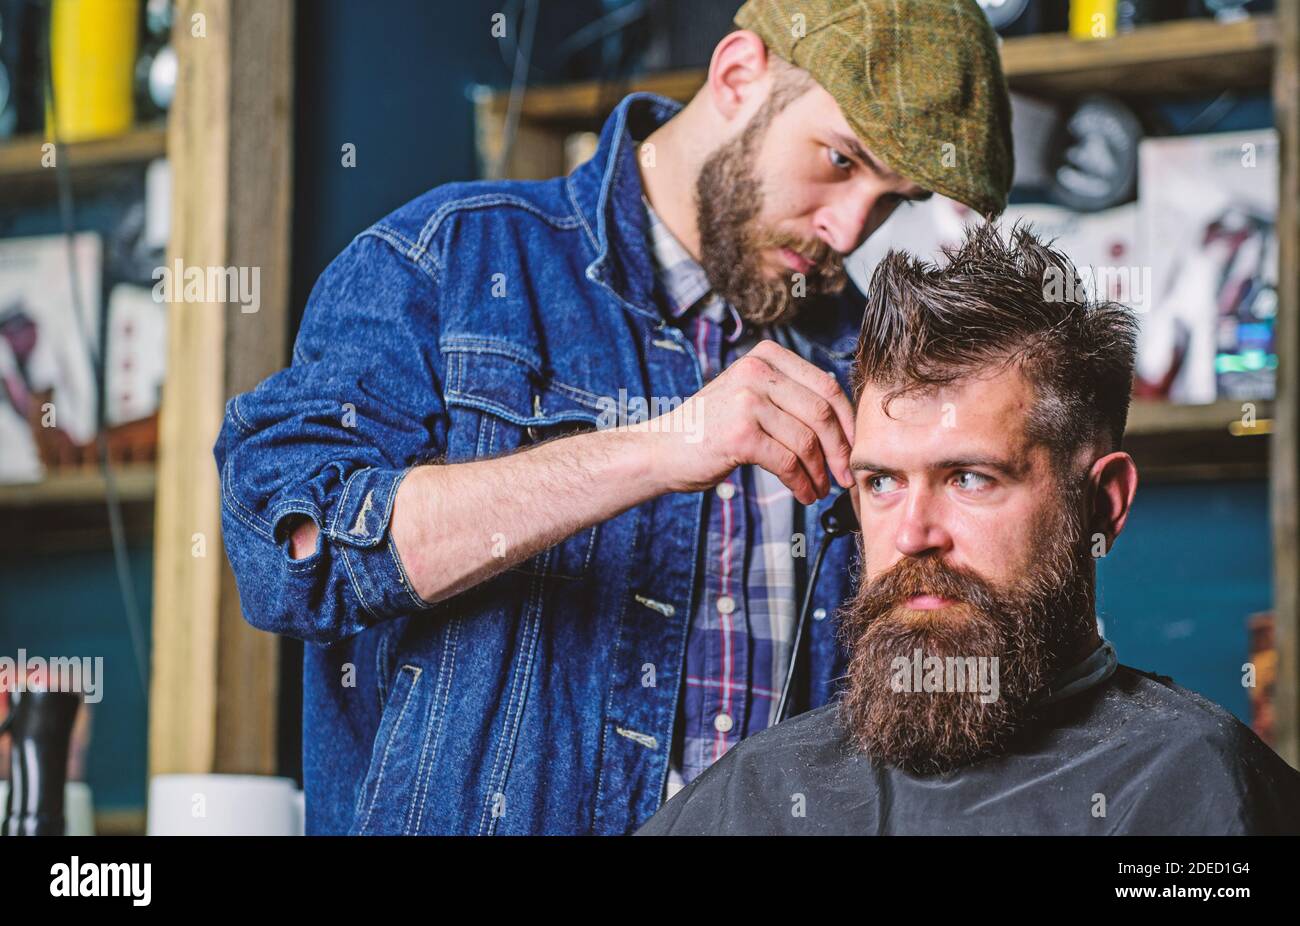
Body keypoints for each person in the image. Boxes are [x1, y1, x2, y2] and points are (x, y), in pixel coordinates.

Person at [213, 0, 1012, 834]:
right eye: (841, 161)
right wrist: (665, 447)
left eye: (892, 200)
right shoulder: (451, 261)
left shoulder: (866, 358)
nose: (848, 230)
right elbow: (290, 557)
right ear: (739, 75)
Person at [637, 222, 1300, 836]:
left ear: (1102, 504)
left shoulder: (1190, 788)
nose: (912, 534)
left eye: (970, 478)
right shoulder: (758, 794)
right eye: (882, 482)